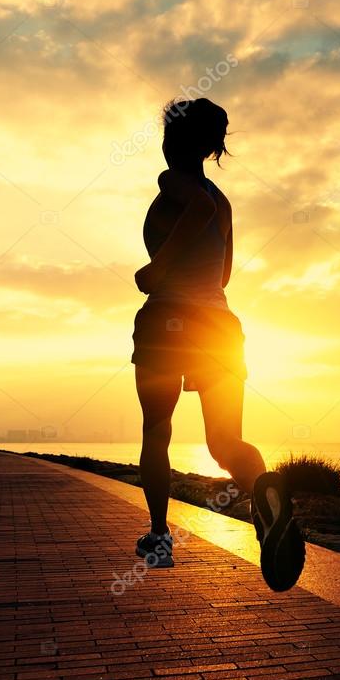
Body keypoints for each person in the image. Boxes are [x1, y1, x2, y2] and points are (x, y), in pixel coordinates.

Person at [130, 97, 304, 591]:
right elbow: (225, 272)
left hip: (169, 319)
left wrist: (159, 268)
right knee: (225, 442)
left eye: (167, 137)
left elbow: (196, 208)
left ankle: (160, 538)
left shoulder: (175, 182)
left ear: (175, 144)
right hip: (220, 325)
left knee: (157, 431)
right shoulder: (223, 200)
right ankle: (263, 494)